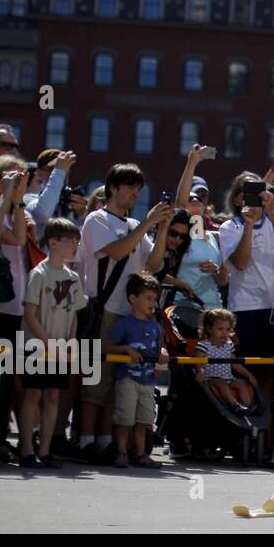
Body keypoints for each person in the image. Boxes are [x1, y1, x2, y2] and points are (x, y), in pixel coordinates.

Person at [77, 164, 171, 463]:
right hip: (103, 308)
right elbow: (116, 252)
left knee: (118, 385)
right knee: (96, 383)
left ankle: (107, 444)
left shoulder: (133, 224)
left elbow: (154, 264)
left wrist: (163, 225)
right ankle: (85, 442)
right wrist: (147, 223)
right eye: (130, 187)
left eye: (138, 188)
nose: (135, 193)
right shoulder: (97, 219)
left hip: (130, 313)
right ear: (113, 188)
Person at [17, 218, 86, 468]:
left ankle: (45, 450)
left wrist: (69, 343)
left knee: (53, 396)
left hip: (60, 347)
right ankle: (26, 449)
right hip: (37, 345)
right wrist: (48, 343)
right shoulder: (39, 274)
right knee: (33, 393)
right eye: (70, 241)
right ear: (53, 242)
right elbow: (30, 314)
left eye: (77, 241)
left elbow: (74, 316)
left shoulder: (74, 278)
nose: (74, 245)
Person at [217, 174, 274, 405]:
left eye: (258, 193)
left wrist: (272, 211)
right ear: (237, 199)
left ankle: (266, 430)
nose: (254, 200)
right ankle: (249, 425)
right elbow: (241, 263)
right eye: (247, 194)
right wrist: (248, 225)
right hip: (246, 308)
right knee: (249, 371)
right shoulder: (230, 227)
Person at [106, 271, 168, 468]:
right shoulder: (124, 324)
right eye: (148, 298)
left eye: (155, 299)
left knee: (144, 419)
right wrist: (125, 349)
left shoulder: (156, 327)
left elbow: (160, 348)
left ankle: (140, 453)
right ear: (133, 299)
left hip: (148, 381)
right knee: (125, 418)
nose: (153, 303)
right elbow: (107, 347)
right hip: (127, 379)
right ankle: (122, 452)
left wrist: (162, 357)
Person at [0, 156, 36, 464]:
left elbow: (20, 239)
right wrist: (4, 196)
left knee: (7, 376)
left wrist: (18, 200)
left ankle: (0, 439)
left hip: (14, 306)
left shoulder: (14, 213)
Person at [195, 309, 256, 412]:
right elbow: (198, 362)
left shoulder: (229, 345)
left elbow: (234, 364)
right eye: (220, 329)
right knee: (222, 383)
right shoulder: (204, 346)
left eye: (228, 329)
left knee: (241, 383)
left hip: (229, 378)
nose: (224, 333)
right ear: (209, 329)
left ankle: (248, 406)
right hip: (212, 379)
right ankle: (235, 406)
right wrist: (201, 371)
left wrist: (248, 374)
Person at [24, 149, 76, 238]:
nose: (64, 172)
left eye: (66, 167)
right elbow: (42, 213)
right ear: (39, 174)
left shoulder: (67, 200)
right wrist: (59, 171)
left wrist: (80, 215)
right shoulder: (28, 198)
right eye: (54, 168)